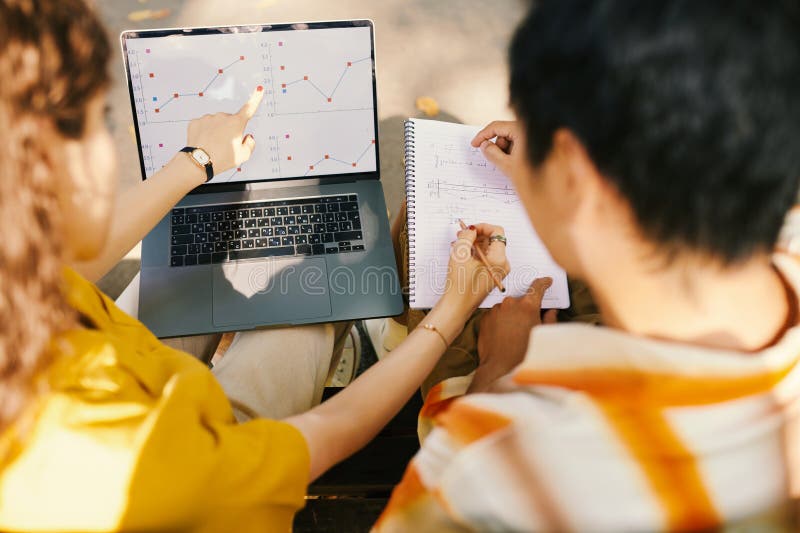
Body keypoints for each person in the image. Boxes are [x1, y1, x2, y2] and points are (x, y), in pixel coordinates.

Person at [0, 1, 510, 531]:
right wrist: (452, 310)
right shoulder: (157, 480)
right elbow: (334, 429)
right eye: (95, 126)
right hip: (218, 442)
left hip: (121, 361)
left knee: (210, 248)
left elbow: (65, 259)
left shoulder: (17, 267)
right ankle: (340, 343)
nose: (108, 150)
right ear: (58, 179)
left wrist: (196, 162)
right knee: (311, 304)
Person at [373, 0, 800, 531]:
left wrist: (495, 374)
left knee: (418, 231)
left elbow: (459, 465)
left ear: (576, 177)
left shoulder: (486, 471)